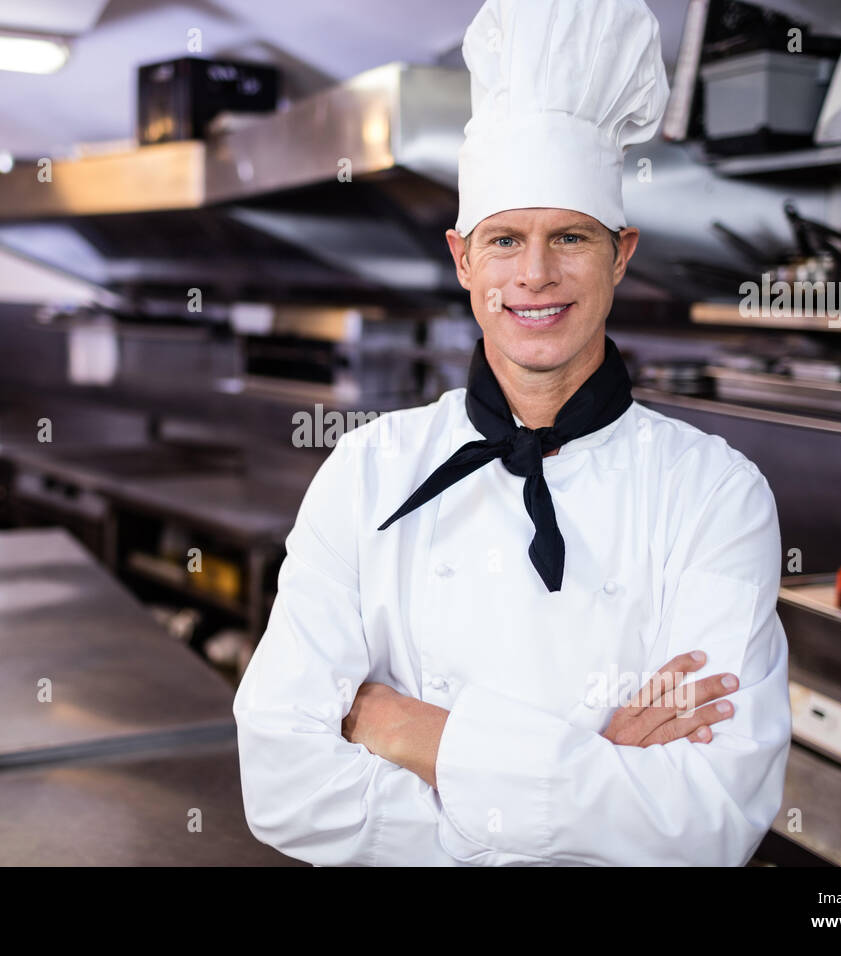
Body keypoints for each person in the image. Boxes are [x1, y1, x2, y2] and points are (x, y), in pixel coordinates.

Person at [232, 0, 791, 866]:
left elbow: (707, 820)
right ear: (463, 261)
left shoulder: (714, 492)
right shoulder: (367, 469)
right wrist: (593, 780)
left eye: (570, 236)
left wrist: (396, 724)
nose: (535, 274)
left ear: (622, 253)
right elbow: (281, 781)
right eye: (505, 241)